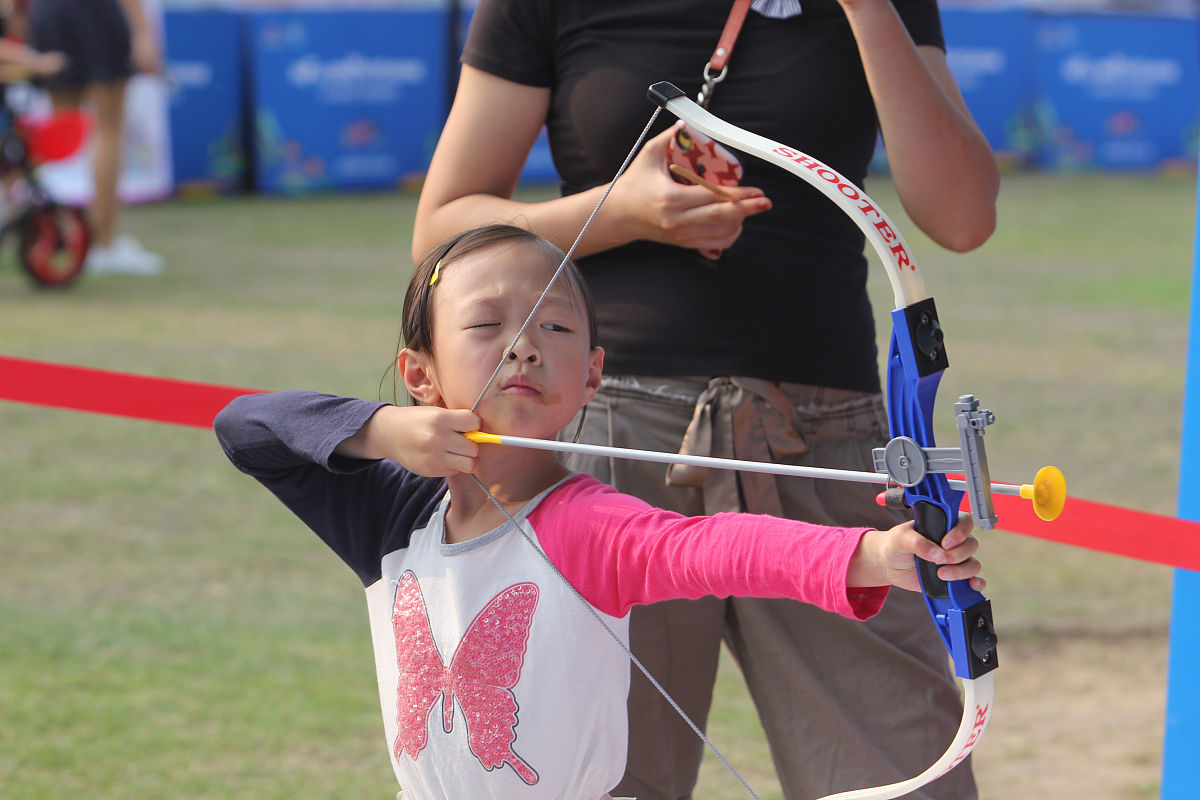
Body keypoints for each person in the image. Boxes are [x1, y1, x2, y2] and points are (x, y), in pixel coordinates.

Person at [411, 1, 1000, 798]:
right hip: (610, 434)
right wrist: (619, 214)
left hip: (824, 436)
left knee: (912, 777)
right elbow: (442, 234)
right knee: (597, 774)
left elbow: (962, 217)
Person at [214, 224, 984, 800]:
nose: (523, 347)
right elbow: (247, 429)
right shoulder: (390, 516)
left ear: (593, 376)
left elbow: (718, 547)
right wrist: (378, 431)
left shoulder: (584, 526)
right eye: (487, 326)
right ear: (419, 372)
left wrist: (875, 557)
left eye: (554, 328)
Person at [25, 0, 163, 275]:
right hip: (96, 12)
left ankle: (60, 240)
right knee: (109, 130)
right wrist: (143, 31)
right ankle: (100, 244)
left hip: (48, 12)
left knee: (60, 131)